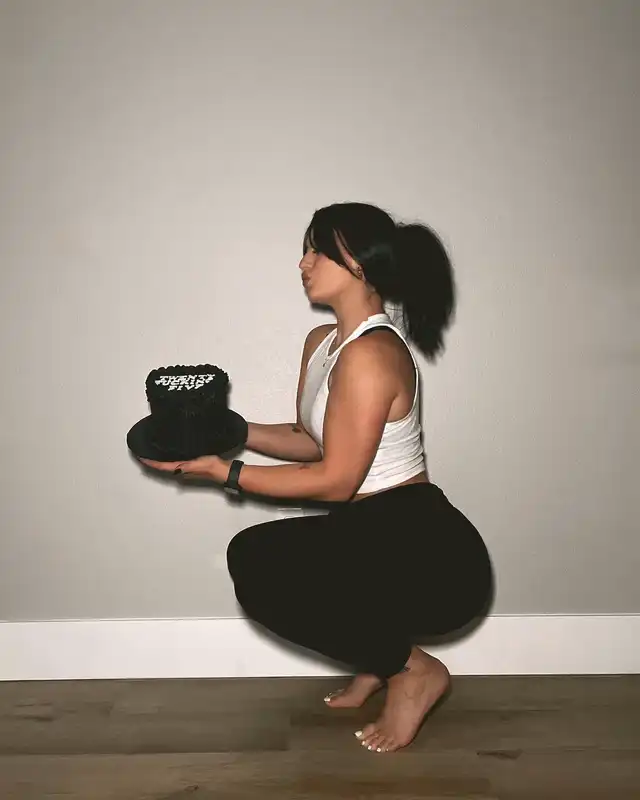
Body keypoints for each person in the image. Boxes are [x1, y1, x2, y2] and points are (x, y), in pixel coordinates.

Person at [141, 201, 493, 754]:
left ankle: (411, 671)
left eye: (318, 250)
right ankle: (380, 661)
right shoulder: (324, 344)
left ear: (360, 264)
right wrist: (222, 431)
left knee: (258, 566)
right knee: (270, 556)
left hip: (424, 546)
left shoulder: (373, 355)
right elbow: (314, 440)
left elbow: (335, 480)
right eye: (305, 250)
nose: (303, 262)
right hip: (373, 529)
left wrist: (224, 472)